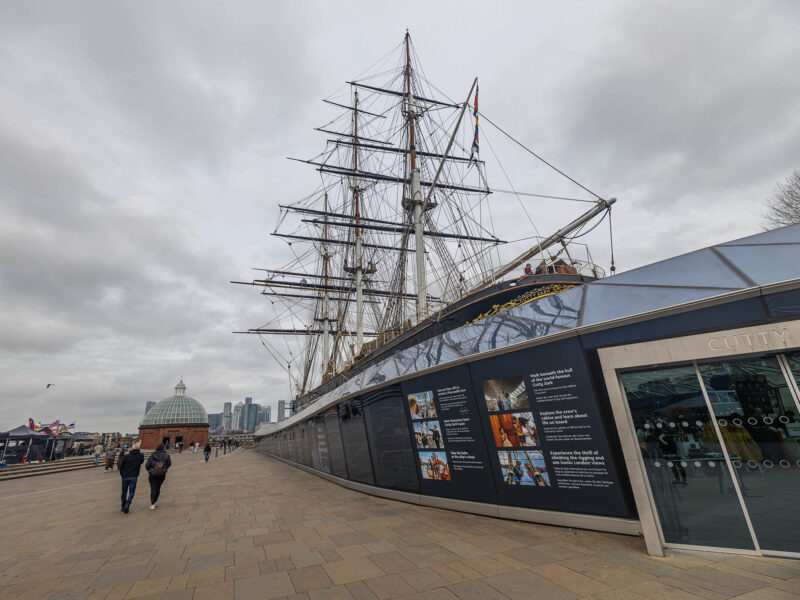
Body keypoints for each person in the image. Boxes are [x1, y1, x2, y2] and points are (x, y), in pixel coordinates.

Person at [118, 442, 144, 513]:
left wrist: (122, 474)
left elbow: (121, 466)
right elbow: (141, 462)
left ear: (132, 448)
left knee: (124, 492)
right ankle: (127, 504)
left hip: (125, 476)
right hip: (134, 476)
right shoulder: (140, 456)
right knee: (131, 492)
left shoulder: (126, 456)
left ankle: (123, 506)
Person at [145, 443, 172, 510]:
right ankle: (155, 501)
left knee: (153, 488)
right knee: (158, 488)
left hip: (152, 474)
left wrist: (150, 470)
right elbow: (169, 464)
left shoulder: (152, 455)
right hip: (161, 475)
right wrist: (164, 469)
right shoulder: (166, 455)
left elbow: (147, 465)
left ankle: (152, 504)